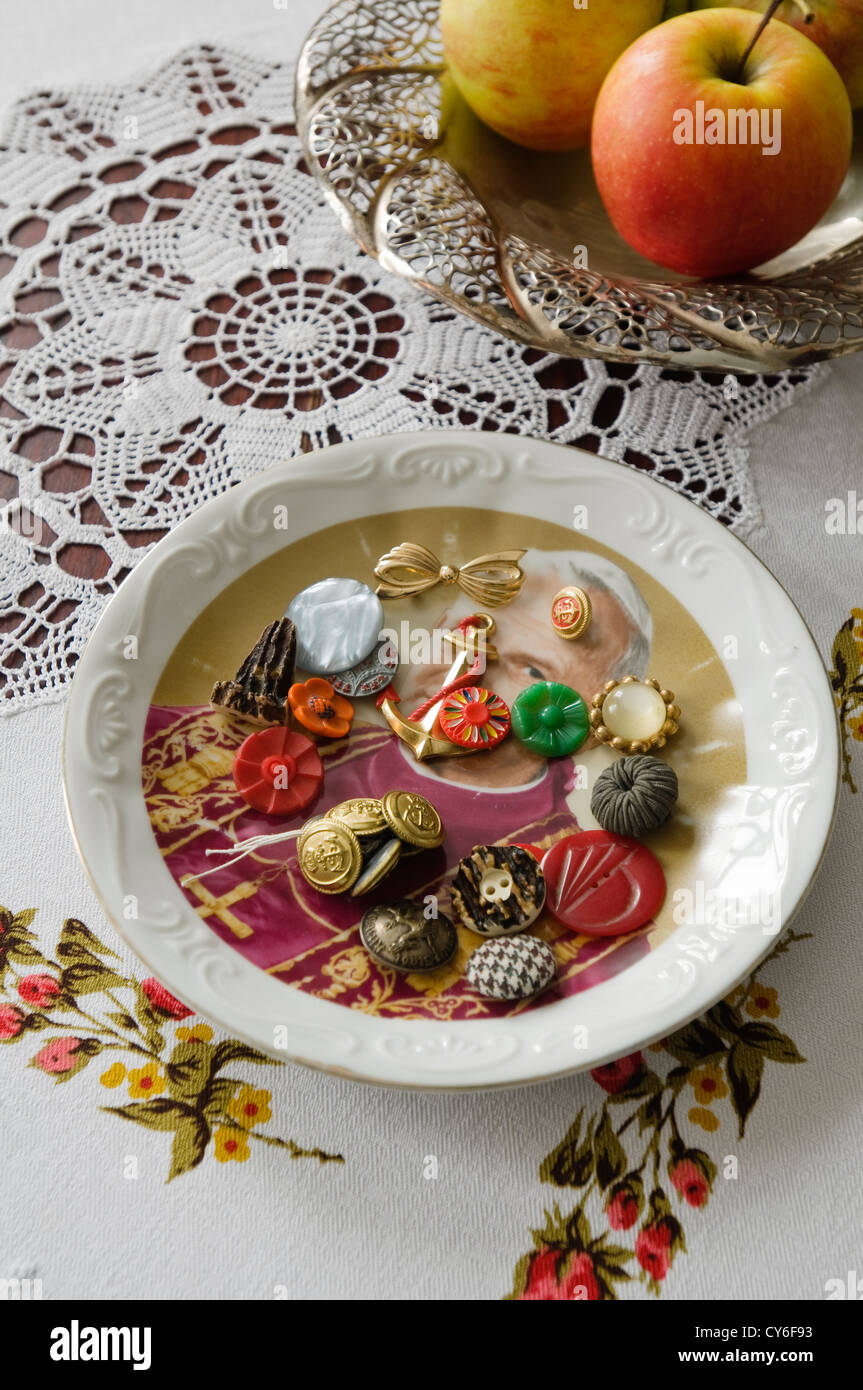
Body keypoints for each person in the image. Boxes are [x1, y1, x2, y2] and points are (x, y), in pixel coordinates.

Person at [142, 547, 655, 1014]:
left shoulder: (578, 896)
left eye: (533, 672)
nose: (466, 675)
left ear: (583, 725)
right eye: (460, 637)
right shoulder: (207, 740)